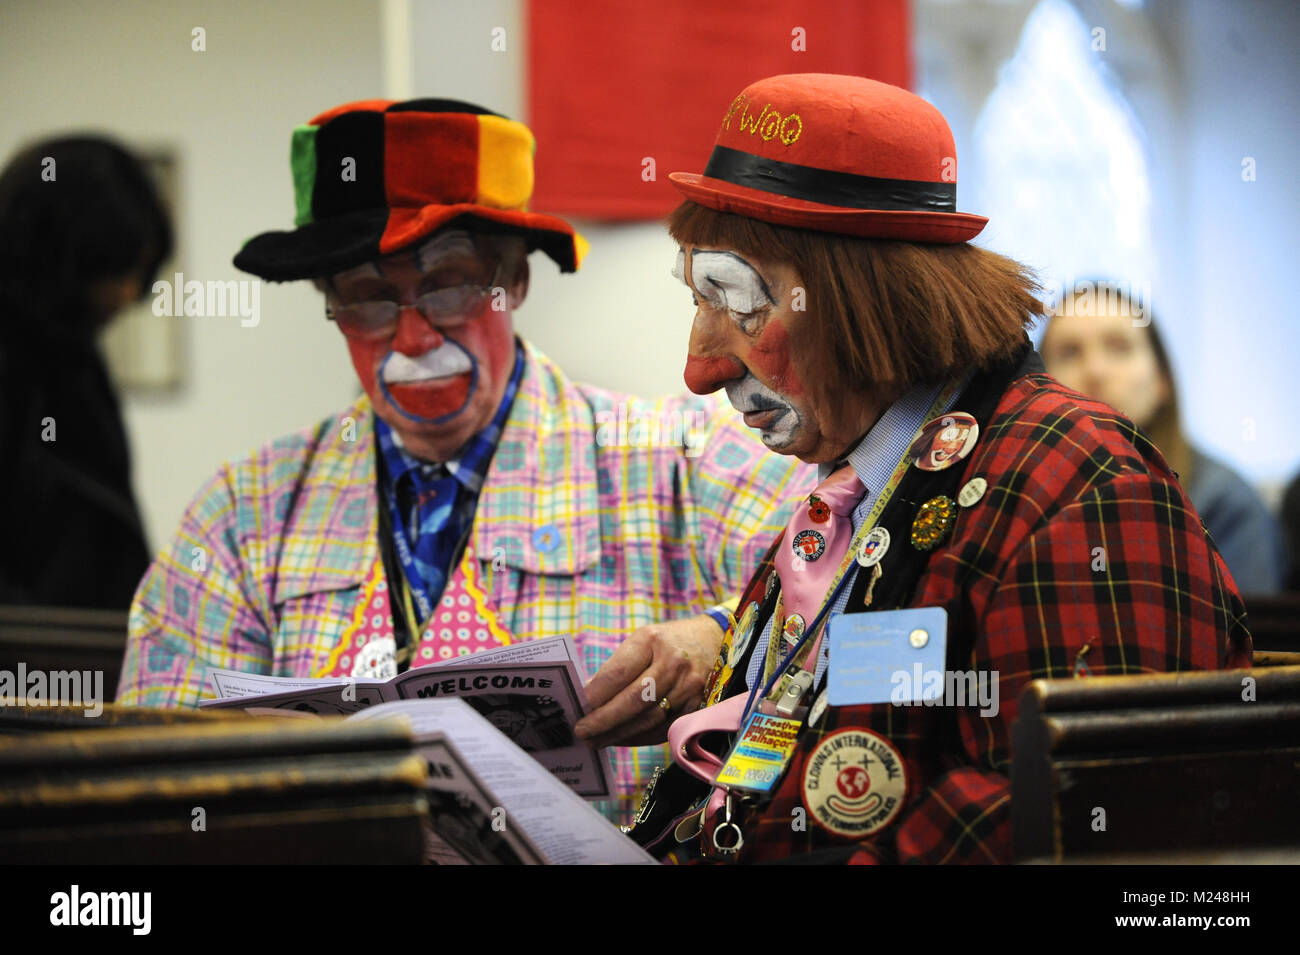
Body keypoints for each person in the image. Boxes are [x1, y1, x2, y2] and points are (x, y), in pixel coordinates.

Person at [578, 73, 1252, 863]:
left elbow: (1074, 822)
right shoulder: (856, 482)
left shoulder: (1084, 485)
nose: (699, 366)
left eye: (736, 299)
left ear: (857, 297)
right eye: (698, 297)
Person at [114, 98, 813, 824]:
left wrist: (725, 635)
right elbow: (155, 764)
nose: (414, 337)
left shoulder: (683, 463)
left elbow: (859, 601)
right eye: (368, 300)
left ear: (515, 281)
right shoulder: (243, 515)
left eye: (448, 285)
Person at [0, 136, 173, 609]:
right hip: (33, 667)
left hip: (94, 654)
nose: (128, 295)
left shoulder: (73, 357)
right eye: (115, 270)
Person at [1040, 284, 1287, 594]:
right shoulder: (1021, 498)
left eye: (1118, 347)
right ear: (1040, 383)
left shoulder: (1224, 503)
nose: (1095, 369)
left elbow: (1248, 638)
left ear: (1162, 380)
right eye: (1069, 353)